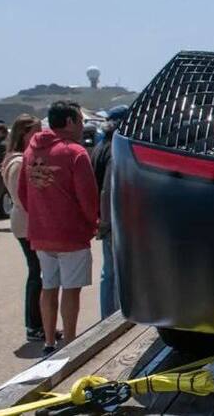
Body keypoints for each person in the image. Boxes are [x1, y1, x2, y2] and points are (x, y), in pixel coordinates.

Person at [17, 100, 100, 354]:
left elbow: (22, 192)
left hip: (42, 234)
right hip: (71, 233)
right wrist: (93, 222)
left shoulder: (31, 151)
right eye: (80, 121)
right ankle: (71, 342)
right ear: (70, 122)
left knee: (48, 286)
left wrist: (41, 215)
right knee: (71, 291)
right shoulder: (75, 152)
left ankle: (50, 341)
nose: (82, 126)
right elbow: (88, 196)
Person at [1, 114, 45, 342]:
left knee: (38, 273)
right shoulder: (18, 162)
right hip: (26, 223)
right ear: (24, 133)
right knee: (36, 274)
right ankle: (34, 324)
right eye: (35, 131)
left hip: (27, 222)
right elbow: (23, 198)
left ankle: (39, 323)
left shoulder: (18, 159)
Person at [91, 119, 119, 319]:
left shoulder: (98, 148)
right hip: (112, 222)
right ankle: (115, 318)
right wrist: (107, 222)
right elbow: (107, 190)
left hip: (102, 218)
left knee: (107, 273)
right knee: (117, 273)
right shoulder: (113, 151)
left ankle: (106, 317)